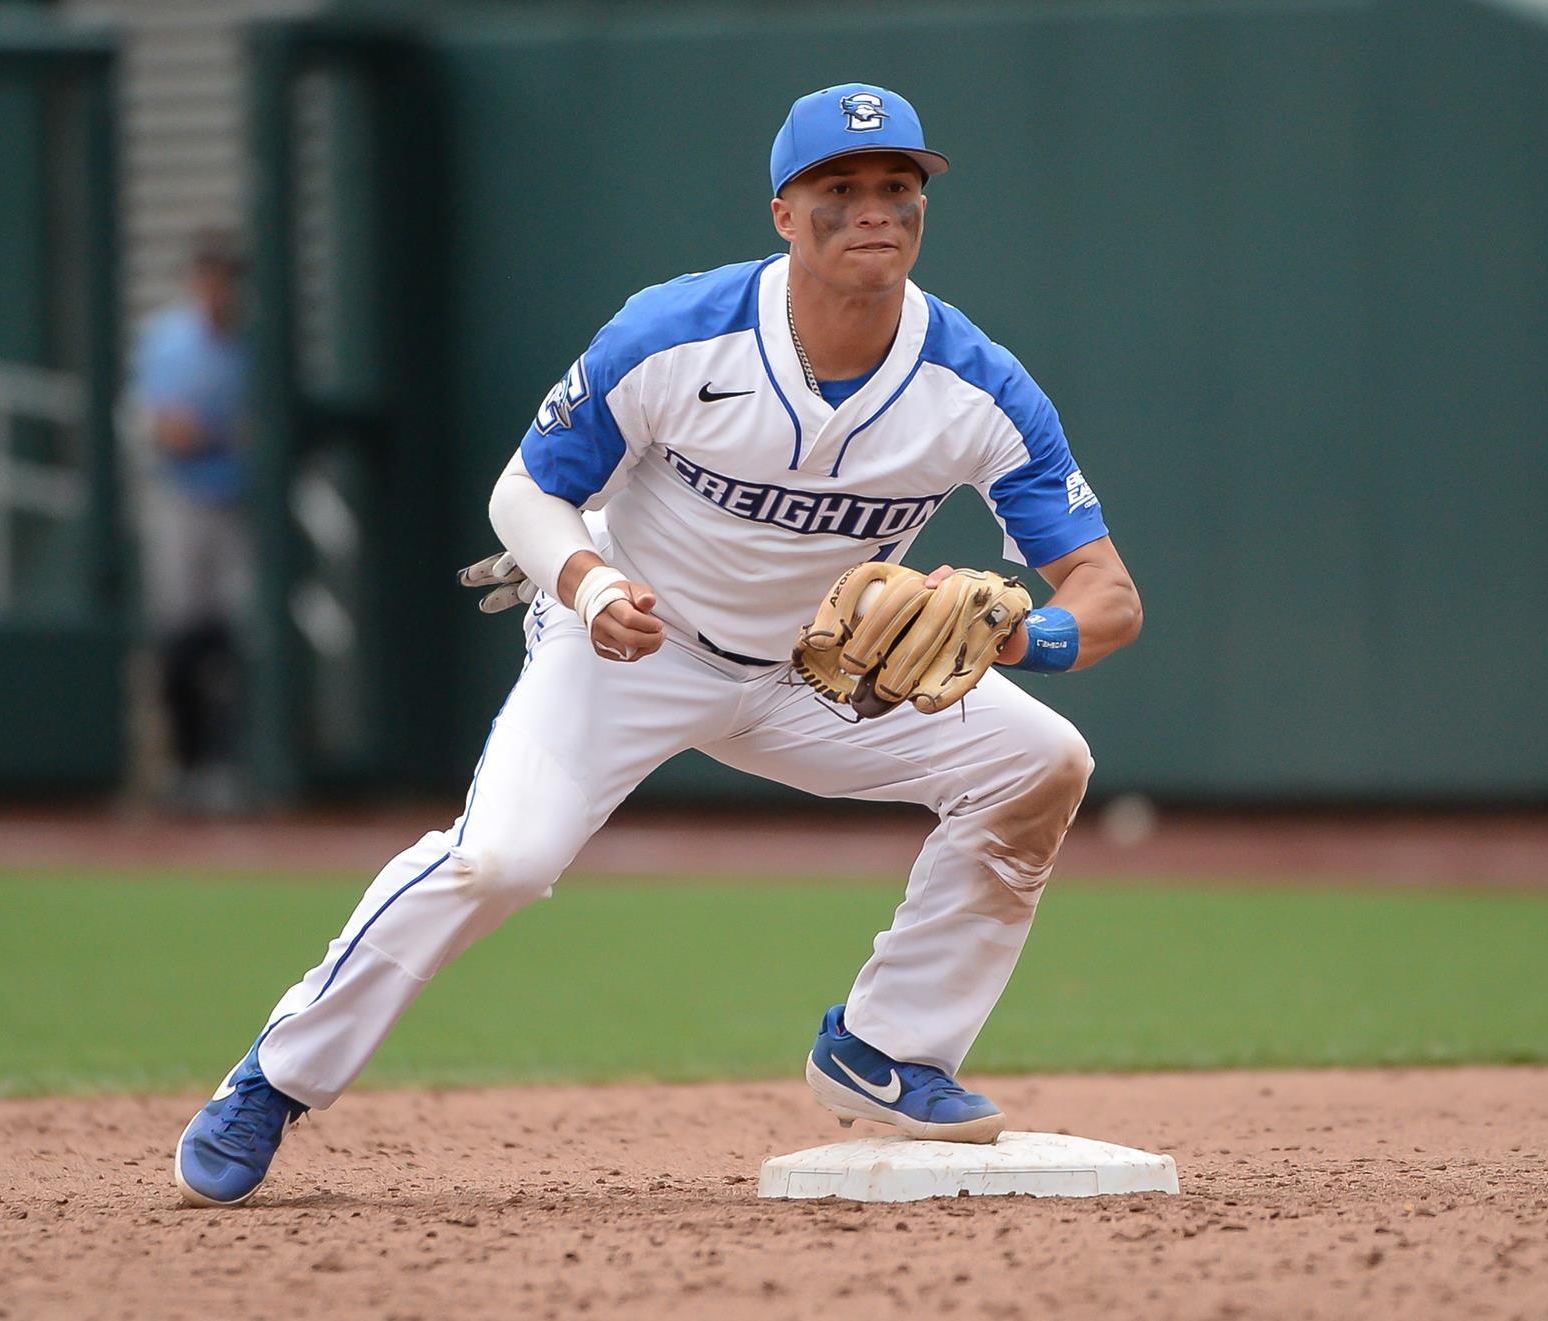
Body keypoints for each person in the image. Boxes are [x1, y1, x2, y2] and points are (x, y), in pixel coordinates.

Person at [173, 84, 1143, 1207]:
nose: (875, 207)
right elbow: (524, 492)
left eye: (898, 185)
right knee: (500, 860)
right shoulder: (675, 333)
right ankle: (275, 1076)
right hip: (631, 647)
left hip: (816, 672)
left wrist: (1025, 633)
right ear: (784, 213)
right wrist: (582, 581)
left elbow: (1108, 594)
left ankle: (887, 1050)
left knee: (1040, 761)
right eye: (840, 187)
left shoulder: (974, 385)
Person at [131, 229, 251, 811]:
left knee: (236, 637)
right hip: (183, 502)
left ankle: (226, 768)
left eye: (223, 279)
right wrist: (222, 433)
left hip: (242, 506)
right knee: (182, 634)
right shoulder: (168, 341)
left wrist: (215, 433)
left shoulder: (251, 345)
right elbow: (170, 429)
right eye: (205, 277)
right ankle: (182, 768)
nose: (214, 290)